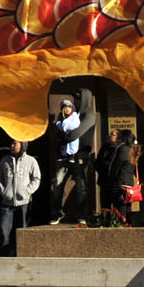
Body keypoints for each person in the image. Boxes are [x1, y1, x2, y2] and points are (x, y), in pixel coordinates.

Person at [0, 139, 41, 249]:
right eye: (11, 143)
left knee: (23, 231)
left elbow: (36, 179)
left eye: (14, 143)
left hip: (24, 202)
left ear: (23, 145)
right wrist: (4, 192)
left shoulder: (31, 161)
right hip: (7, 203)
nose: (11, 145)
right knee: (4, 231)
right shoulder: (4, 160)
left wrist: (27, 192)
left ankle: (21, 254)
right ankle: (4, 255)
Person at [47, 96, 86, 224]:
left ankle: (81, 214)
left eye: (69, 106)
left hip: (76, 158)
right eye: (65, 107)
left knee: (81, 187)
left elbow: (72, 127)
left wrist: (61, 125)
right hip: (63, 158)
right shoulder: (59, 120)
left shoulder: (75, 118)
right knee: (57, 186)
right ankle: (57, 213)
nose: (67, 109)